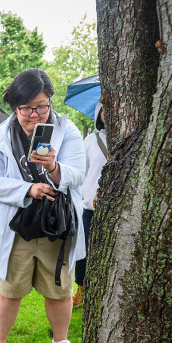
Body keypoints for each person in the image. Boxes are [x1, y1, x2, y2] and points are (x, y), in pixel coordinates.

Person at [0, 68, 85, 343]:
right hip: (17, 225)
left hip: (57, 223)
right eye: (26, 108)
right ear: (15, 106)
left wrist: (53, 167)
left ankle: (60, 342)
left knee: (60, 288)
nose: (34, 114)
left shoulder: (69, 130)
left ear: (50, 101)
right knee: (9, 288)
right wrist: (28, 188)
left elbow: (78, 174)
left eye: (42, 106)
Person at [73, 101, 107, 307]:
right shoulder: (90, 141)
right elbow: (81, 173)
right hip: (90, 208)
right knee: (83, 251)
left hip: (116, 209)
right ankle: (81, 289)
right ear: (98, 113)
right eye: (104, 109)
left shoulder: (129, 139)